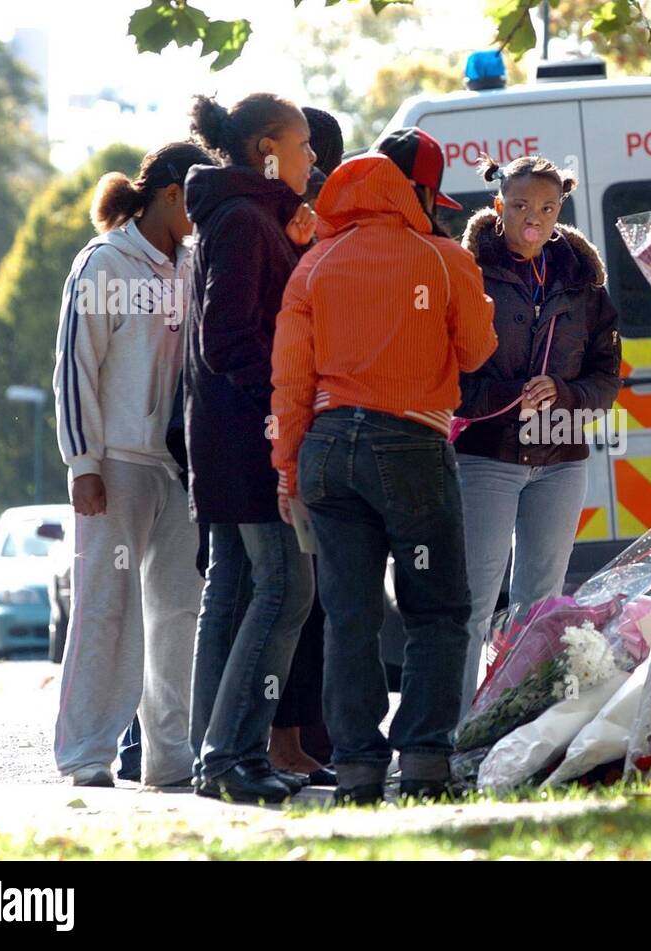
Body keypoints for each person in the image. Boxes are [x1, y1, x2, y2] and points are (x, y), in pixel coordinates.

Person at [271, 127, 497, 805]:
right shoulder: (441, 258)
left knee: (349, 615)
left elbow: (289, 380)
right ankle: (425, 761)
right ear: (419, 191)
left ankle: (359, 769)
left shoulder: (313, 263)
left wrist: (287, 471)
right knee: (436, 610)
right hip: (408, 450)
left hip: (327, 453)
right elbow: (481, 350)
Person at [52, 142, 213, 788]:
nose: (200, 216)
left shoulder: (192, 263)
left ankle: (167, 757)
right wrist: (81, 462)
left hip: (177, 467)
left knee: (178, 608)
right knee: (105, 604)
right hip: (113, 464)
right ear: (171, 194)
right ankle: (86, 751)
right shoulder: (104, 262)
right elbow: (74, 367)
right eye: (195, 201)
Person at [185, 92, 318, 804]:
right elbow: (227, 335)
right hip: (248, 436)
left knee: (233, 587)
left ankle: (214, 752)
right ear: (268, 148)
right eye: (303, 146)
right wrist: (286, 392)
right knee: (287, 585)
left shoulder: (245, 215)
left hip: (229, 433)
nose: (313, 159)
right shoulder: (240, 220)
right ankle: (228, 754)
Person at [454, 154, 622, 716]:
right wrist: (507, 395)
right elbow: (450, 371)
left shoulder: (584, 284)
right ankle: (450, 733)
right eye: (522, 205)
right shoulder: (466, 271)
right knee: (474, 602)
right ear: (499, 206)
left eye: (548, 208)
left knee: (539, 606)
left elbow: (606, 377)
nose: (535, 217)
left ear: (560, 210)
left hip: (562, 456)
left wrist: (566, 394)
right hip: (486, 456)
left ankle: (516, 721)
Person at [269, 106, 345, 785]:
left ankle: (310, 734)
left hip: (312, 435)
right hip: (307, 435)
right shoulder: (293, 227)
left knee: (312, 599)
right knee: (300, 598)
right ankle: (294, 736)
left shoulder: (313, 227)